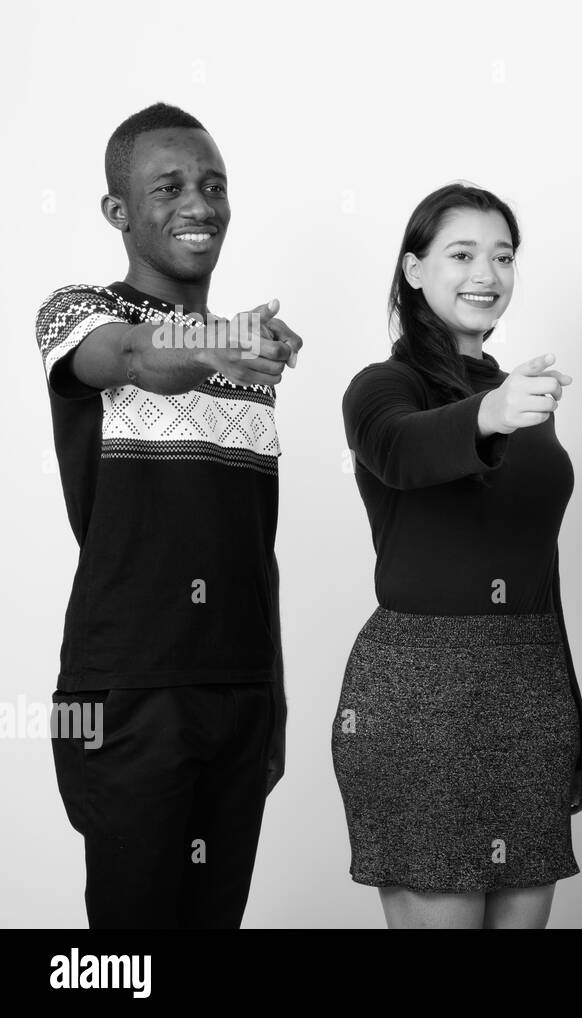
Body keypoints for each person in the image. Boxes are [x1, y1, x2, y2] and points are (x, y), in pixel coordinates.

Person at [35, 101, 304, 928]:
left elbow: (250, 543)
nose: (199, 203)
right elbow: (139, 360)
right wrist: (213, 341)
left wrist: (273, 693)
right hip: (122, 690)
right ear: (119, 211)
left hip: (240, 690)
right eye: (169, 186)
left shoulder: (248, 358)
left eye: (213, 184)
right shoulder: (77, 313)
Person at [333, 183, 582, 930]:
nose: (487, 272)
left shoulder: (521, 396)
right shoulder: (384, 388)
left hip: (531, 690)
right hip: (421, 699)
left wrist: (571, 727)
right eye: (462, 253)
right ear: (414, 269)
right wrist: (490, 413)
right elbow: (400, 451)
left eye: (503, 255)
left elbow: (541, 571)